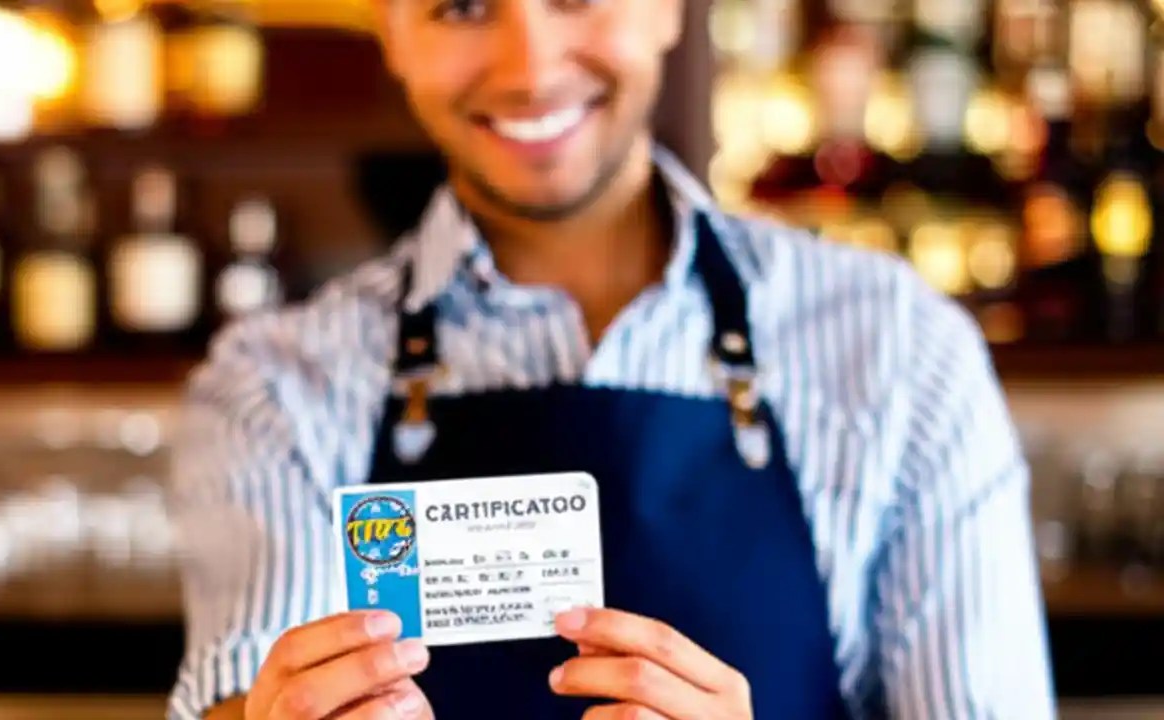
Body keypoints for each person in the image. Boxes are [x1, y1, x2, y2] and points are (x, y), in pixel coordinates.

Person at [166, 0, 1057, 717]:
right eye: (462, 8)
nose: (529, 66)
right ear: (391, 27)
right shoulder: (275, 385)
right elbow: (238, 680)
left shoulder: (901, 347)